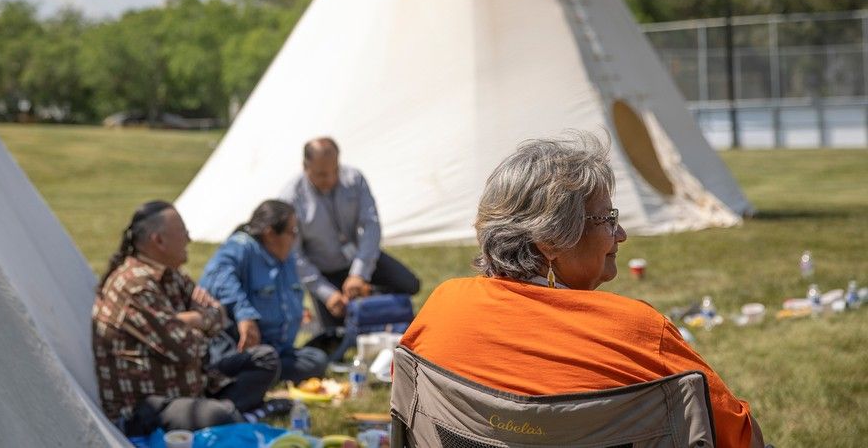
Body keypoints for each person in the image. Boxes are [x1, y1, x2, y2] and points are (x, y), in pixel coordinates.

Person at [399, 134, 766, 448]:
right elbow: (742, 438)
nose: (620, 234)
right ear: (550, 240)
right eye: (607, 219)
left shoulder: (442, 308)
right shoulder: (638, 330)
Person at [92, 201, 283, 436]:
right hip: (148, 406)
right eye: (183, 233)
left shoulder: (170, 274)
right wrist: (200, 321)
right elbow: (188, 349)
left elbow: (218, 314)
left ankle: (234, 414)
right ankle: (235, 414)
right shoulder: (134, 286)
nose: (189, 239)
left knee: (265, 359)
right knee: (218, 415)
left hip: (193, 385)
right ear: (158, 241)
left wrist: (189, 320)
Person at [280, 137, 420, 326]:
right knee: (335, 329)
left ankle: (368, 295)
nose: (330, 179)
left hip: (358, 258)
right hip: (324, 269)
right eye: (321, 174)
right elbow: (294, 255)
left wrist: (359, 274)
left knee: (409, 284)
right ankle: (364, 307)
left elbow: (371, 225)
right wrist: (326, 293)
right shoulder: (290, 198)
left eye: (334, 170)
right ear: (305, 167)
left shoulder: (354, 178)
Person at [200, 200, 330, 383]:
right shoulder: (240, 247)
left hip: (279, 350)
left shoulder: (287, 255)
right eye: (291, 232)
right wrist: (244, 314)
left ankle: (263, 373)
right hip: (243, 350)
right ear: (270, 234)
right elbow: (219, 276)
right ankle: (252, 373)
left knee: (317, 360)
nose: (295, 238)